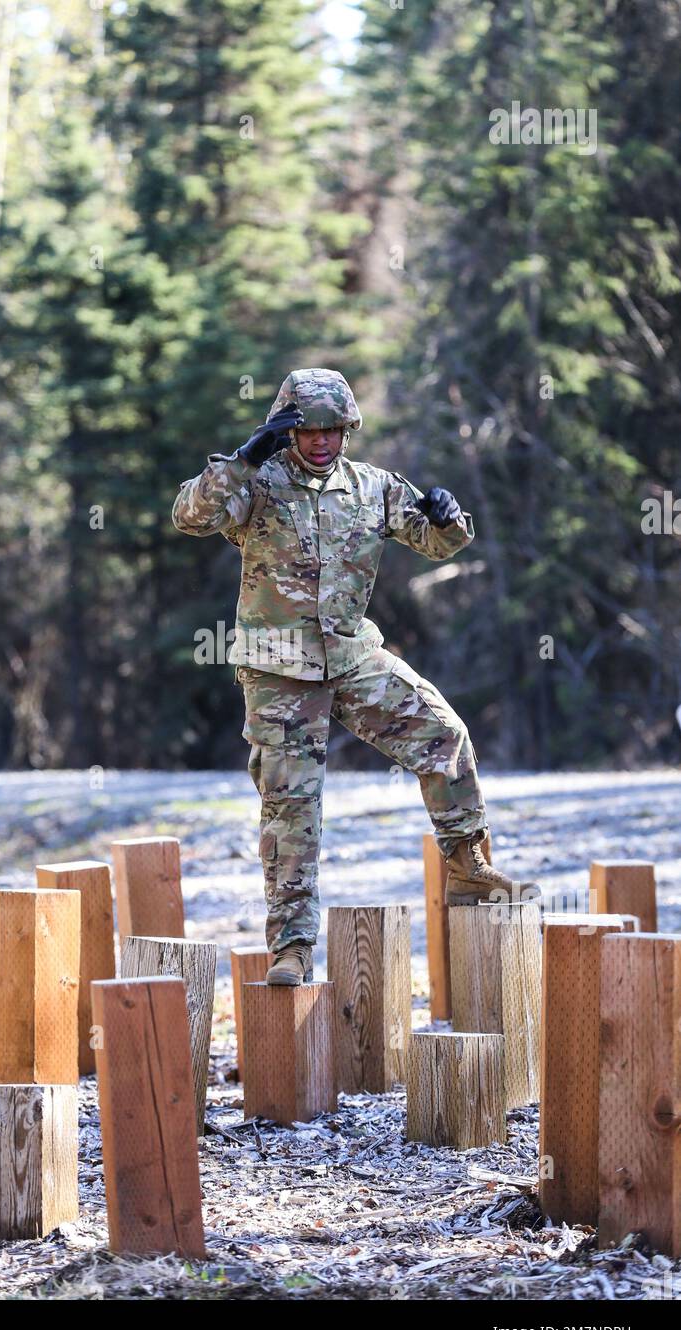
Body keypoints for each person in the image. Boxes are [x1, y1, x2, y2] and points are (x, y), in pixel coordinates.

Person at [172, 368, 539, 986]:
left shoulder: (372, 487)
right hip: (280, 669)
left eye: (332, 431)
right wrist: (242, 458)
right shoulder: (257, 483)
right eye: (307, 431)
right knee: (293, 811)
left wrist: (447, 516)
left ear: (349, 430)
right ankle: (290, 948)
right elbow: (189, 514)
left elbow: (436, 541)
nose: (320, 442)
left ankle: (466, 860)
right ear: (287, 430)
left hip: (349, 657)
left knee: (443, 734)